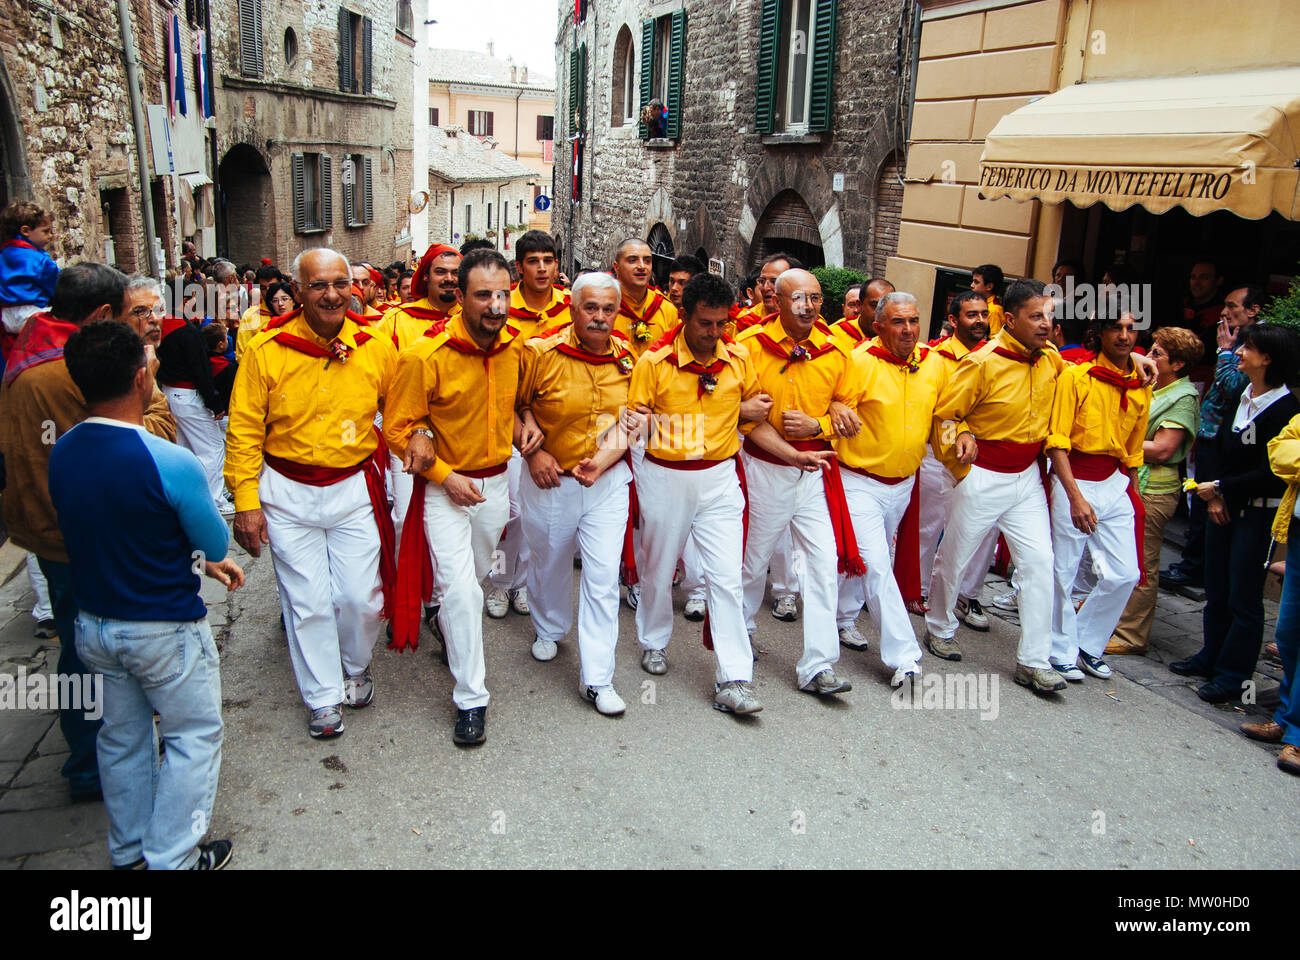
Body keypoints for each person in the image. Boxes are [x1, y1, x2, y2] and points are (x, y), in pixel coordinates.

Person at [50, 320, 241, 870]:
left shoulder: (62, 450)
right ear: (141, 379)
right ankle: (174, 857)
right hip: (162, 625)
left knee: (121, 739)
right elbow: (210, 539)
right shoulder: (167, 458)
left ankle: (129, 848)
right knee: (193, 737)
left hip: (94, 623)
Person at [0, 263, 175, 802]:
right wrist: (149, 380)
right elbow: (151, 440)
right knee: (95, 647)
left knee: (80, 644)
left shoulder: (29, 348)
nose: (140, 324)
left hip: (47, 526)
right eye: (131, 314)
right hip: (91, 533)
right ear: (102, 315)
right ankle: (94, 761)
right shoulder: (81, 368)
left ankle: (91, 754)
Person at [626, 271, 831, 713]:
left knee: (725, 578)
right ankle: (654, 640)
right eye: (705, 324)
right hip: (666, 476)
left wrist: (793, 456)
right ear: (684, 317)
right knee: (659, 571)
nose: (714, 333)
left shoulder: (738, 360)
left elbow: (755, 420)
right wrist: (717, 416)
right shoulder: (653, 363)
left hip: (721, 479)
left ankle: (734, 678)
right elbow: (635, 424)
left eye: (722, 324)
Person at [226, 248, 398, 739]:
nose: (331, 294)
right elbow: (242, 430)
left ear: (354, 287)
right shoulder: (266, 348)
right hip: (287, 492)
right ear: (297, 292)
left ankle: (355, 664)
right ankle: (323, 696)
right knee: (310, 602)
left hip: (354, 487)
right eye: (318, 285)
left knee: (359, 598)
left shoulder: (373, 345)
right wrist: (246, 503)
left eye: (340, 283)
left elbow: (401, 410)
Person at [385, 249, 538, 747]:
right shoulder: (424, 355)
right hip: (443, 490)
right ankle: (472, 698)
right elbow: (397, 427)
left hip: (495, 488)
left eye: (502, 294)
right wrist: (444, 474)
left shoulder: (518, 350)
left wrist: (527, 431)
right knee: (463, 591)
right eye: (483, 296)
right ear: (459, 295)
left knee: (474, 580)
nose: (496, 306)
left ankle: (445, 619)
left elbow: (517, 405)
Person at [926, 279, 1069, 693]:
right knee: (955, 556)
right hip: (983, 473)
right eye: (1036, 316)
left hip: (1026, 478)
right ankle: (938, 626)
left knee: (1040, 563)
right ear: (1009, 318)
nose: (1046, 325)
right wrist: (962, 458)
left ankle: (1034, 660)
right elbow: (947, 416)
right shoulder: (981, 362)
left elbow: (1081, 379)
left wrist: (1133, 358)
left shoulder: (1051, 361)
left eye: (1049, 317)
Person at [736, 268, 864, 697]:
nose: (808, 306)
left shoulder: (836, 353)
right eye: (798, 299)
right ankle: (741, 632)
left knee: (823, 565)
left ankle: (819, 665)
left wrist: (820, 422)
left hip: (814, 475)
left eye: (814, 298)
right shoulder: (750, 348)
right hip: (766, 470)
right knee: (752, 563)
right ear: (777, 301)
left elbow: (847, 414)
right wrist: (791, 449)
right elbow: (745, 419)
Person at [515, 272, 635, 713]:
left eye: (608, 309)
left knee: (602, 580)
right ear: (572, 308)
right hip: (550, 482)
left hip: (607, 485)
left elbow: (637, 420)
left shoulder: (631, 360)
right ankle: (549, 628)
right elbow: (513, 405)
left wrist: (603, 462)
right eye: (591, 308)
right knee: (548, 563)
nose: (600, 318)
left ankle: (598, 678)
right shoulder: (538, 353)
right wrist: (533, 453)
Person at [1172, 323, 1300, 703]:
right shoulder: (1241, 395)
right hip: (1220, 506)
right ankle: (1209, 655)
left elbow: (1273, 471)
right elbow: (1219, 450)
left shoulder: (1286, 409)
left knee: (1244, 597)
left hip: (1256, 514)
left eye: (1248, 347)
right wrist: (1212, 496)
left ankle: (1234, 676)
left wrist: (1223, 490)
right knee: (1217, 587)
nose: (1239, 352)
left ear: (1268, 358)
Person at [832, 292, 944, 687]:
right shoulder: (859, 362)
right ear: (878, 327)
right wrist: (835, 408)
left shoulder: (933, 364)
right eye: (898, 322)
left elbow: (947, 413)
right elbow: (833, 402)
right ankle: (906, 659)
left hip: (904, 484)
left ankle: (843, 618)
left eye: (913, 321)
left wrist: (959, 435)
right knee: (878, 565)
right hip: (860, 481)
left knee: (867, 560)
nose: (908, 330)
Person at [1044, 312, 1149, 683]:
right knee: (1063, 569)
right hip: (1075, 478)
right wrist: (1074, 498)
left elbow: (1134, 449)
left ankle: (1087, 643)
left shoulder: (1140, 383)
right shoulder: (1076, 377)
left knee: (1126, 573)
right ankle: (1058, 649)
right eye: (1115, 328)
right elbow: (1057, 441)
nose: (1124, 336)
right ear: (1098, 334)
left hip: (1113, 481)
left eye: (1130, 329)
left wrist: (1135, 497)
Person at [482, 230, 573, 621]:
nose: (542, 267)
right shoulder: (500, 308)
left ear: (557, 264)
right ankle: (502, 581)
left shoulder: (572, 308)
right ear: (519, 267)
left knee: (543, 520)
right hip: (508, 421)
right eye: (533, 261)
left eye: (548, 260)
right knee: (511, 514)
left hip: (557, 423)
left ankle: (525, 582)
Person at [1108, 327, 1203, 655]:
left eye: (1158, 354)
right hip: (1132, 479)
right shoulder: (1152, 385)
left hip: (1155, 490)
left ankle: (1132, 634)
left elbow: (1164, 449)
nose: (1149, 357)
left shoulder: (1184, 396)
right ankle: (1113, 619)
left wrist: (1114, 440)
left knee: (1142, 560)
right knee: (1121, 553)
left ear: (1177, 364)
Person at [1162, 285, 1263, 591]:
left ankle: (1195, 568)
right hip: (1213, 434)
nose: (1224, 312)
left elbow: (1233, 386)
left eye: (1232, 306)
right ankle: (1194, 564)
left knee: (1208, 499)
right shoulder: (1238, 339)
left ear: (1252, 311)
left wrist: (1225, 352)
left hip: (1224, 436)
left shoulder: (1251, 344)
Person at [918, 291, 996, 626]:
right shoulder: (935, 356)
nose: (979, 321)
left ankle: (968, 595)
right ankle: (920, 590)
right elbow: (938, 409)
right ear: (953, 320)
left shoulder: (998, 356)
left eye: (983, 314)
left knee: (983, 532)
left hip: (986, 458)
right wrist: (949, 450)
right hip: (939, 455)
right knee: (928, 527)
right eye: (971, 315)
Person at [1253, 413, 1300, 775]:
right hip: (1298, 533)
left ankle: (1296, 735)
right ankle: (1284, 718)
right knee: (1287, 633)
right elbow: (1278, 453)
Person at [157, 299, 232, 517]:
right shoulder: (185, 332)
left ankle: (190, 497)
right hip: (188, 395)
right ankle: (214, 501)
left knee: (186, 449)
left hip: (171, 392)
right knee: (211, 448)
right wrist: (214, 401)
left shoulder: (167, 326)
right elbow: (200, 369)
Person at [0, 200, 59, 360]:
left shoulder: (3, 254)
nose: (50, 236)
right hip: (33, 314)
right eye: (46, 231)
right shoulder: (40, 260)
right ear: (26, 231)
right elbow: (57, 287)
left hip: (5, 317)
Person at [381, 244, 462, 354]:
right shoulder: (395, 321)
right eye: (440, 272)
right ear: (425, 276)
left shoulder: (474, 318)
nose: (449, 278)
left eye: (455, 273)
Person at [611, 238, 677, 354]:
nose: (642, 266)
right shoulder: (603, 308)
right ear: (617, 267)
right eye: (632, 260)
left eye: (647, 261)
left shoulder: (666, 309)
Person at [735, 253, 802, 331]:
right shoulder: (744, 321)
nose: (765, 288)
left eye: (774, 281)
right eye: (762, 281)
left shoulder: (809, 321)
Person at [831, 277, 894, 347]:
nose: (881, 313)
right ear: (859, 305)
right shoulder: (834, 335)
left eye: (887, 307)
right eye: (874, 305)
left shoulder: (899, 339)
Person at [971, 264, 1005, 335]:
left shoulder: (994, 310)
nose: (972, 285)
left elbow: (993, 340)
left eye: (976, 282)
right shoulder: (982, 304)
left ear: (989, 286)